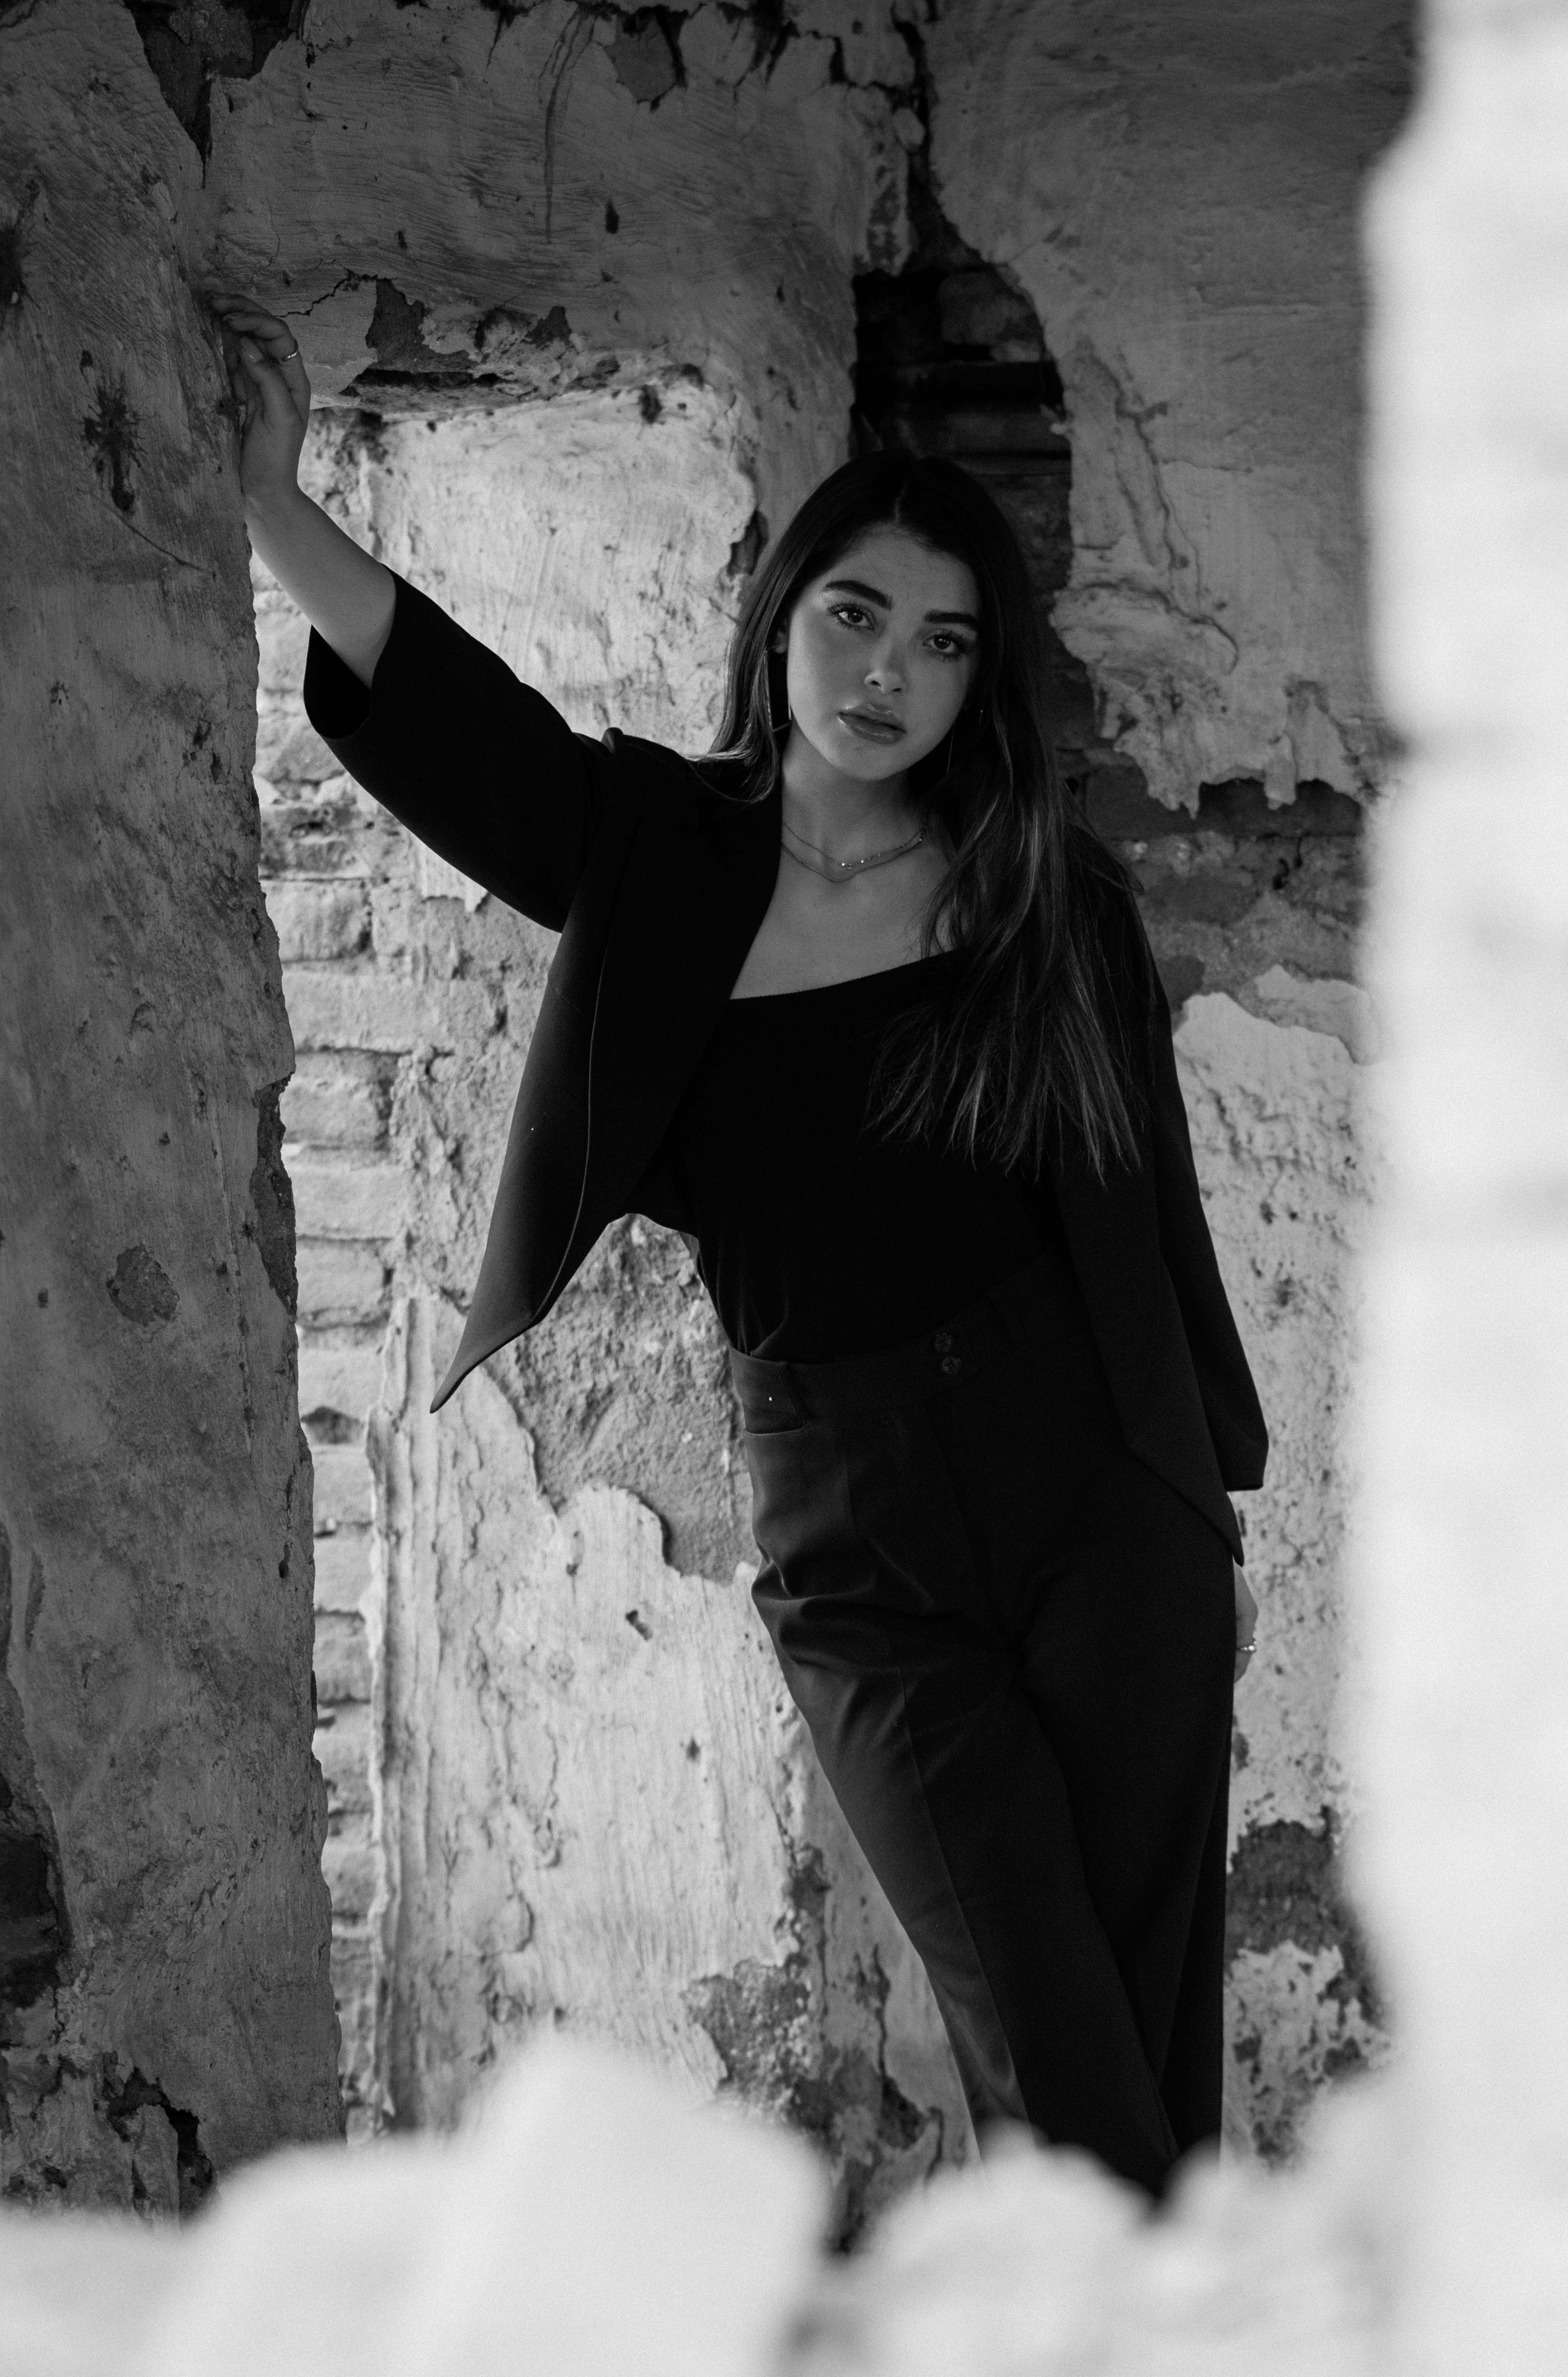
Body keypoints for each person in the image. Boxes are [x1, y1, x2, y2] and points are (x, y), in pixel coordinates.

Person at [210, 293, 1269, 2200]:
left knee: (1140, 2055)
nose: (888, 672)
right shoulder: (659, 854)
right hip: (857, 1527)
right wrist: (274, 507)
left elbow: (1150, 1210)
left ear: (977, 686)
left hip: (1103, 1498)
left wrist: (1196, 1496)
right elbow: (463, 731)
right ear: (779, 615)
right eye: (853, 614)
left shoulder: (1042, 893)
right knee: (1048, 2043)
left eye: (945, 646)